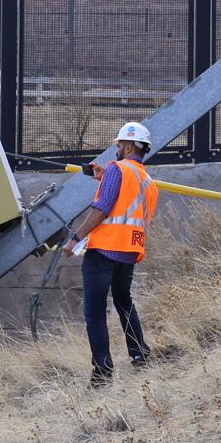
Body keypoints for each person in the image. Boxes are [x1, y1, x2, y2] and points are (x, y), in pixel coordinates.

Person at [62, 122, 159, 387]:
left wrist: (75, 238)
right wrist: (105, 178)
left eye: (118, 145)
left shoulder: (118, 169)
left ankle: (102, 373)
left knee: (94, 312)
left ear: (128, 146)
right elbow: (127, 207)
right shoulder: (148, 181)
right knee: (124, 302)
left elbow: (103, 208)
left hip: (104, 250)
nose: (116, 150)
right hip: (130, 251)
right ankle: (140, 355)